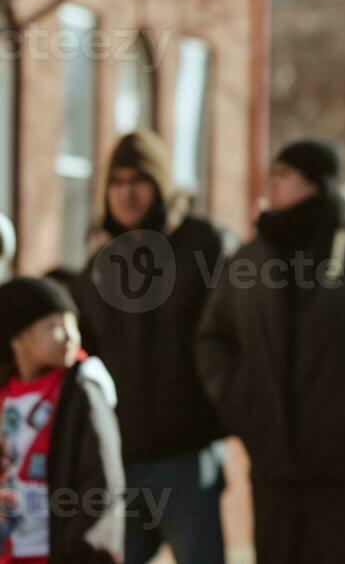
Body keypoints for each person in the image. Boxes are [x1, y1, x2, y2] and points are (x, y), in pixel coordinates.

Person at [195, 138, 345, 564]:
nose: (271, 184)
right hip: (274, 468)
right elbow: (212, 339)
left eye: (283, 175)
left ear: (316, 183)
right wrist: (242, 403)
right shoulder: (250, 259)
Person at [74, 131, 230, 564]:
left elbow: (236, 336)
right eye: (117, 181)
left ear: (160, 185)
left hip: (188, 458)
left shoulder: (204, 246)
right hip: (122, 464)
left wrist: (228, 406)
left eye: (139, 180)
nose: (127, 192)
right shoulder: (97, 269)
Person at [0, 276, 124, 563]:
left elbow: (101, 480)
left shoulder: (83, 390)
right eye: (54, 326)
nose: (70, 335)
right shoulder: (6, 392)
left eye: (72, 324)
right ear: (18, 338)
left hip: (55, 552)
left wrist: (82, 550)